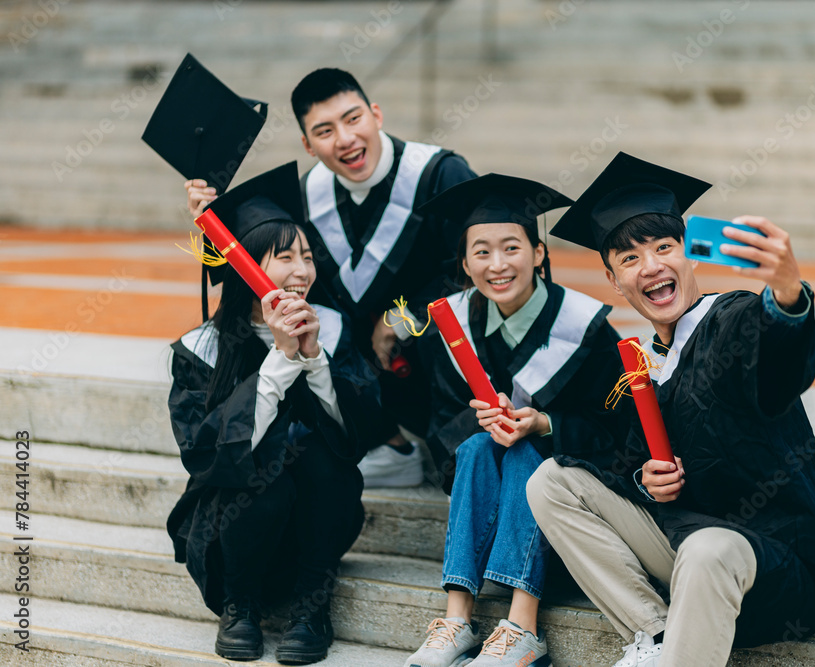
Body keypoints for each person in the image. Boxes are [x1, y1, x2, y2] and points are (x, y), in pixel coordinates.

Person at [526, 152, 815, 667]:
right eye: (629, 259)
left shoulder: (732, 320)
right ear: (614, 280)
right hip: (680, 545)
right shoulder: (640, 367)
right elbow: (624, 460)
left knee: (708, 548)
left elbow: (778, 365)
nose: (651, 266)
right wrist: (645, 479)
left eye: (663, 247)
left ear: (689, 255)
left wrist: (787, 295)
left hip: (769, 561)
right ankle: (655, 636)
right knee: (551, 481)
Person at [185, 68, 477, 488]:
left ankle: (453, 449)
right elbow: (270, 266)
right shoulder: (310, 196)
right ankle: (383, 441)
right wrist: (210, 223)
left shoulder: (441, 175)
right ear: (307, 144)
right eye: (324, 130)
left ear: (376, 115)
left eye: (353, 119)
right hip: (364, 368)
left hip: (434, 347)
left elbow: (474, 269)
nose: (344, 139)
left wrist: (405, 317)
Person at [400, 174, 631, 667]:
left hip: (563, 525)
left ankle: (523, 625)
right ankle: (458, 618)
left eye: (511, 248)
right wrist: (481, 424)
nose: (498, 265)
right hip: (488, 509)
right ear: (464, 264)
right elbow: (439, 420)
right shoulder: (449, 326)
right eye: (481, 252)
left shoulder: (585, 329)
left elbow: (617, 430)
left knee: (527, 450)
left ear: (539, 253)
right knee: (477, 446)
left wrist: (543, 423)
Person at [166, 163, 380, 664]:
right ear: (245, 267)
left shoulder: (333, 328)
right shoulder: (201, 349)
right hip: (231, 535)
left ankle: (312, 606)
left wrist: (312, 359)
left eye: (307, 256)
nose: (303, 271)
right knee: (265, 463)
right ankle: (240, 606)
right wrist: (280, 362)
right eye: (284, 257)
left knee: (321, 455)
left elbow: (357, 436)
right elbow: (206, 455)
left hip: (315, 532)